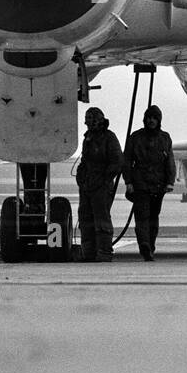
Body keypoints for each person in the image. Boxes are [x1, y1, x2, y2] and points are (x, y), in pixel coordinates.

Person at [121, 104, 175, 261]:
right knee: (142, 217)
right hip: (140, 185)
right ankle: (144, 245)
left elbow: (169, 161)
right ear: (145, 119)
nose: (151, 121)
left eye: (154, 118)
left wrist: (170, 181)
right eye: (149, 118)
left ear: (159, 120)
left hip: (158, 185)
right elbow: (127, 161)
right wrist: (129, 181)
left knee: (153, 217)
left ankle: (150, 245)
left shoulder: (165, 138)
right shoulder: (135, 137)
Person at [75, 107, 121, 262]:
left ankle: (104, 252)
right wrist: (81, 178)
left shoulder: (109, 138)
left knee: (101, 220)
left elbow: (117, 161)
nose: (88, 122)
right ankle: (88, 252)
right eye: (87, 118)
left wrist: (104, 179)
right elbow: (85, 161)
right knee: (85, 218)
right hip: (87, 185)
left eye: (90, 118)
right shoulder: (88, 138)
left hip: (100, 186)